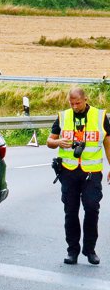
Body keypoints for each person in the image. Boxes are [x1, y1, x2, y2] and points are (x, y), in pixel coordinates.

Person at [47, 87, 110, 265]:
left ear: (85, 99)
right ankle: (72, 251)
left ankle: (90, 250)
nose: (75, 106)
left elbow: (107, 143)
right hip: (69, 171)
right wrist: (58, 142)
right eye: (71, 103)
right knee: (71, 211)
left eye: (78, 103)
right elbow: (49, 142)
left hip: (91, 172)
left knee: (91, 209)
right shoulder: (63, 117)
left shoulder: (99, 116)